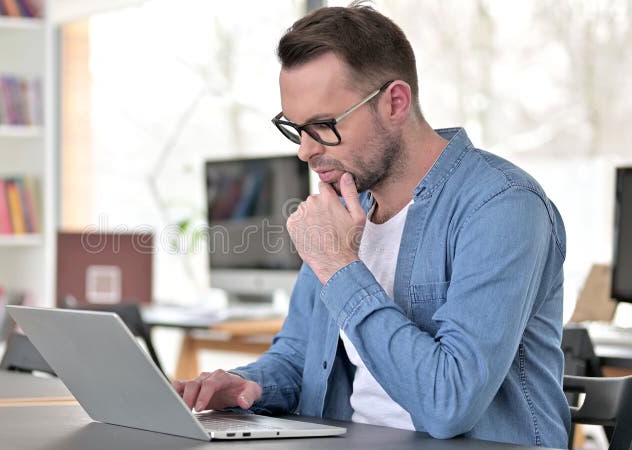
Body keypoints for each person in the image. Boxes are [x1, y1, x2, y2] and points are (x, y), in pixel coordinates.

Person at [172, 3, 570, 448]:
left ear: (394, 102)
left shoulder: (502, 207)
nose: (304, 151)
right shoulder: (341, 207)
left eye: (323, 126)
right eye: (296, 128)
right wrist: (247, 385)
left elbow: (448, 403)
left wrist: (340, 267)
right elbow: (300, 354)